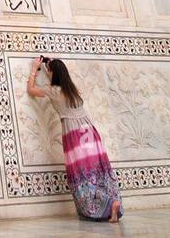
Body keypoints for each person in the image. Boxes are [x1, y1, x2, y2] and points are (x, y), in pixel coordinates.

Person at [27, 55, 122, 222]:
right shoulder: (73, 90)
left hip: (76, 136)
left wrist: (34, 70)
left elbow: (31, 90)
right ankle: (112, 201)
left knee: (83, 174)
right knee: (97, 170)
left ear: (52, 73)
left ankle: (100, 208)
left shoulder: (54, 91)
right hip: (90, 133)